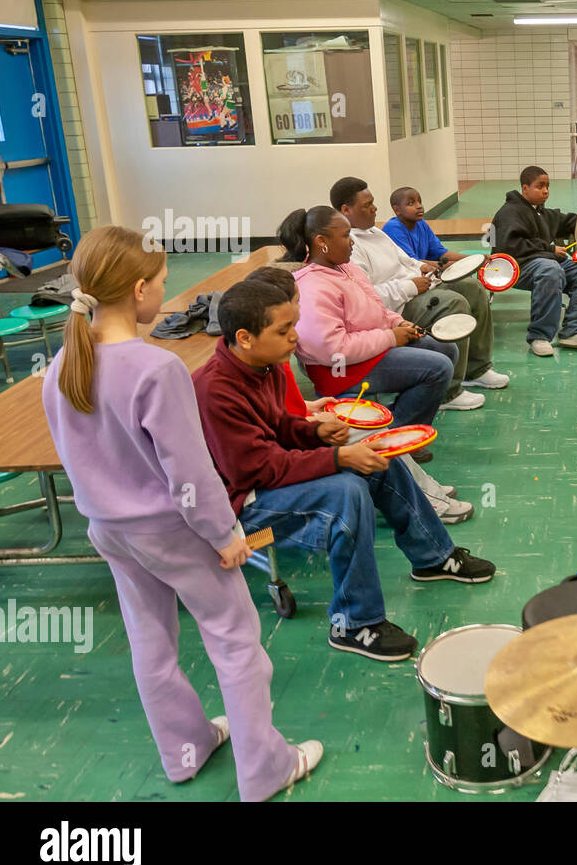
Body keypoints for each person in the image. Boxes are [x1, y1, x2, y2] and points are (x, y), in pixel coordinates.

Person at [40, 226, 321, 801]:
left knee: (151, 643)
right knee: (236, 642)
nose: (165, 295)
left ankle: (185, 751)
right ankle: (265, 769)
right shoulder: (156, 369)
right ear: (139, 290)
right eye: (164, 285)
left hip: (109, 530)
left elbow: (76, 456)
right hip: (173, 530)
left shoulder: (64, 363)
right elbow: (190, 475)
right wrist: (226, 535)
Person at [193, 280, 497, 662]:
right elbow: (255, 469)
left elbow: (278, 427)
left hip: (264, 483)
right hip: (243, 515)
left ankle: (433, 556)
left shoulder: (263, 365)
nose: (294, 338)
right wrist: (339, 458)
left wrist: (314, 431)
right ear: (245, 337)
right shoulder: (215, 389)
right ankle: (353, 624)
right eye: (283, 330)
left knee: (377, 458)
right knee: (347, 491)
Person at [246, 264, 473, 524]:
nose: (301, 310)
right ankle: (426, 501)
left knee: (377, 432)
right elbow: (263, 431)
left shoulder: (273, 345)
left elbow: (277, 403)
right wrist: (308, 422)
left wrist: (308, 406)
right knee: (374, 437)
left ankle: (422, 490)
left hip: (301, 424)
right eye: (298, 302)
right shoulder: (264, 355)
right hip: (290, 448)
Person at [278, 206, 453, 444]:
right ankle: (394, 437)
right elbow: (332, 350)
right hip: (339, 369)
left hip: (367, 349)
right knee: (438, 367)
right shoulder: (313, 285)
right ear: (322, 241)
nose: (352, 242)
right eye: (345, 235)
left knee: (446, 348)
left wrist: (398, 321)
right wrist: (391, 337)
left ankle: (398, 421)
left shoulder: (346, 268)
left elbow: (377, 308)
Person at [338, 178, 506, 412]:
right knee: (454, 303)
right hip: (397, 306)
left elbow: (405, 260)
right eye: (367, 205)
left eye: (373, 203)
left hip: (417, 286)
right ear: (346, 210)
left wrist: (421, 267)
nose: (375, 208)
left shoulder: (376, 232)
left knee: (473, 288)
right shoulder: (349, 245)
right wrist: (410, 286)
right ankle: (448, 392)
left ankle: (476, 370)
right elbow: (367, 298)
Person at [490, 165, 577, 356]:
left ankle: (573, 330)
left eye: (547, 186)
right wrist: (549, 248)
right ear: (525, 188)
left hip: (541, 260)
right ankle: (539, 336)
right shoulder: (509, 212)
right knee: (551, 270)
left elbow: (566, 220)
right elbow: (509, 247)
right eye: (540, 186)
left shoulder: (540, 212)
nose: (545, 191)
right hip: (515, 266)